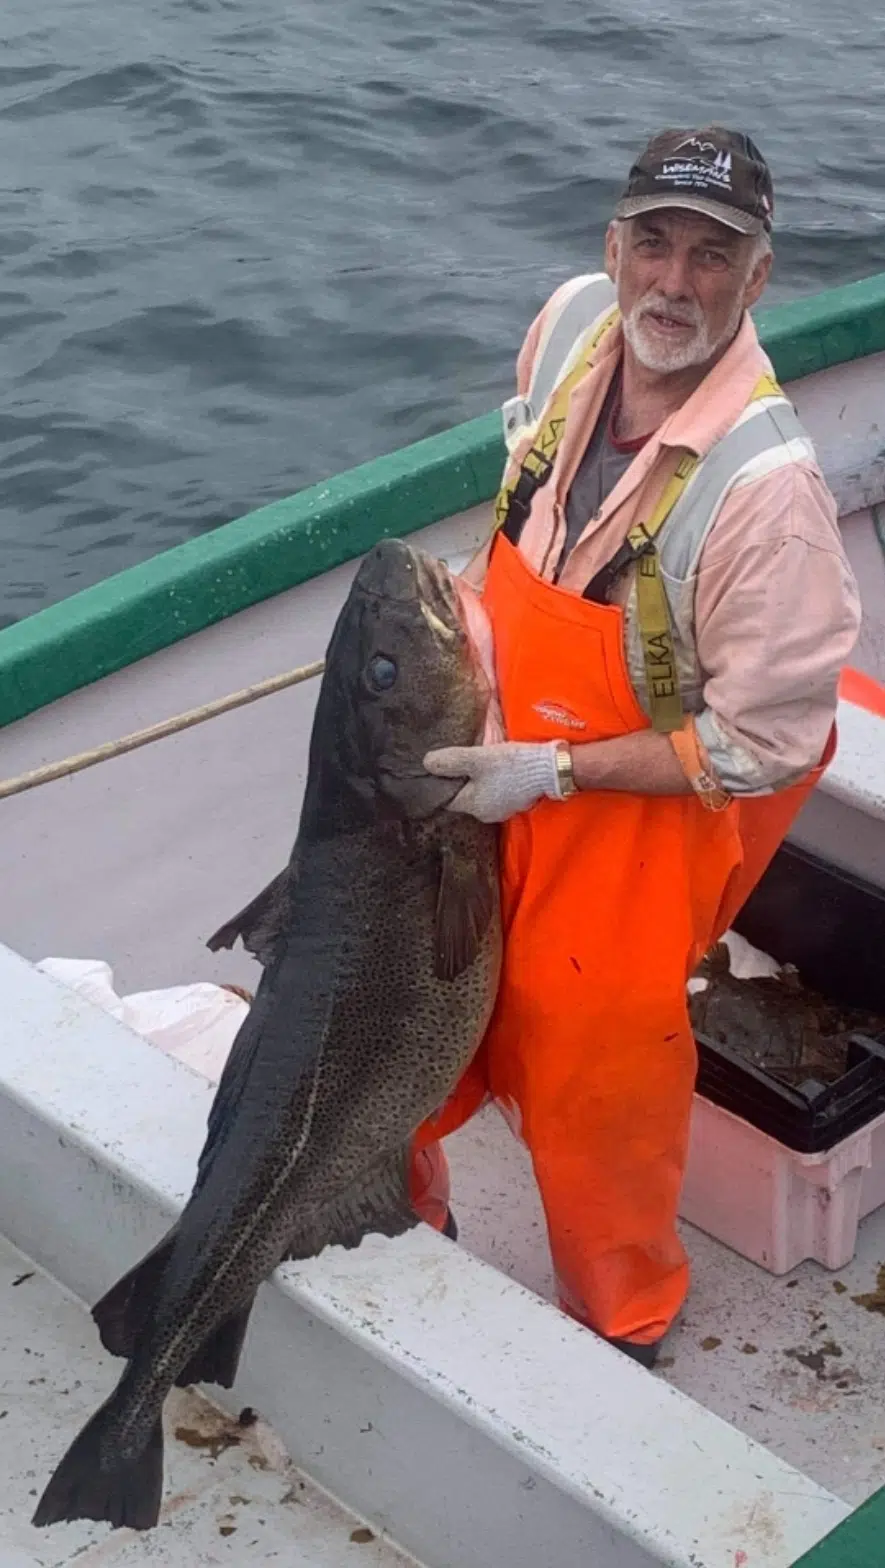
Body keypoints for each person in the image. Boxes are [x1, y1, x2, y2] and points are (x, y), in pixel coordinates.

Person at [408, 126, 862, 1367]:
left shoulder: (770, 496)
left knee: (591, 1070)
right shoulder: (568, 327)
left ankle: (622, 1330)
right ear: (610, 246)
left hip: (635, 813)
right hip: (498, 746)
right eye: (652, 241)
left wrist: (553, 771)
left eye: (713, 255)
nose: (673, 280)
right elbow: (532, 511)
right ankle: (401, 1220)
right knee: (403, 997)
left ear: (758, 277)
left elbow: (766, 741)